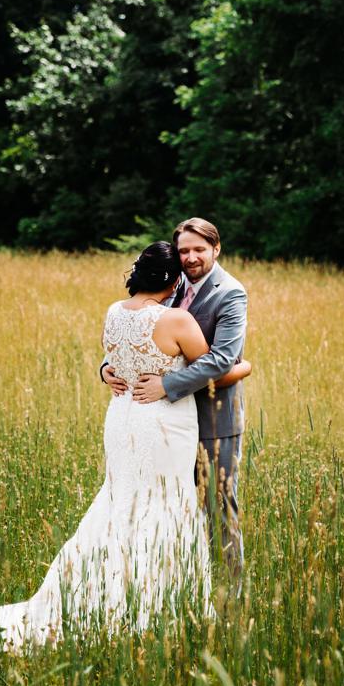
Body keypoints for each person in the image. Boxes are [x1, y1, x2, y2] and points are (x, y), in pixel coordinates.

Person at [0, 242, 251, 651]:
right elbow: (215, 368)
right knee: (163, 503)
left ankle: (98, 595)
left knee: (120, 501)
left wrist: (107, 371)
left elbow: (114, 361)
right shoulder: (177, 320)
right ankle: (154, 606)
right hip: (161, 423)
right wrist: (247, 366)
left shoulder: (114, 312)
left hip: (124, 420)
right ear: (173, 280)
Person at [104, 217, 248, 591]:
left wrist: (166, 385)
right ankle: (167, 587)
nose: (191, 257)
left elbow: (220, 360)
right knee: (163, 507)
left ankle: (229, 594)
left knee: (218, 509)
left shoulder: (230, 293)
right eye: (184, 250)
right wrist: (106, 369)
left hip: (213, 419)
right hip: (161, 425)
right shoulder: (169, 280)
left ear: (216, 249)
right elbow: (137, 339)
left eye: (199, 249)